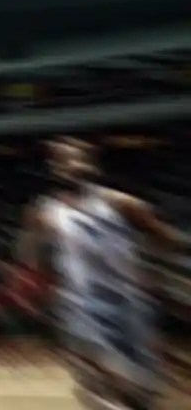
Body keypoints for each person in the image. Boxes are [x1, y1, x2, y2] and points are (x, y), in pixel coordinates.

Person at [16, 136, 178, 410]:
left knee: (143, 392)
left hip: (130, 300)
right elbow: (30, 249)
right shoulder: (46, 211)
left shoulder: (121, 203)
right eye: (62, 159)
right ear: (54, 167)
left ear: (92, 164)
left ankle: (112, 399)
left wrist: (151, 266)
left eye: (76, 157)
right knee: (104, 367)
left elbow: (166, 239)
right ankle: (104, 390)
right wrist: (33, 276)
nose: (69, 164)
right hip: (81, 302)